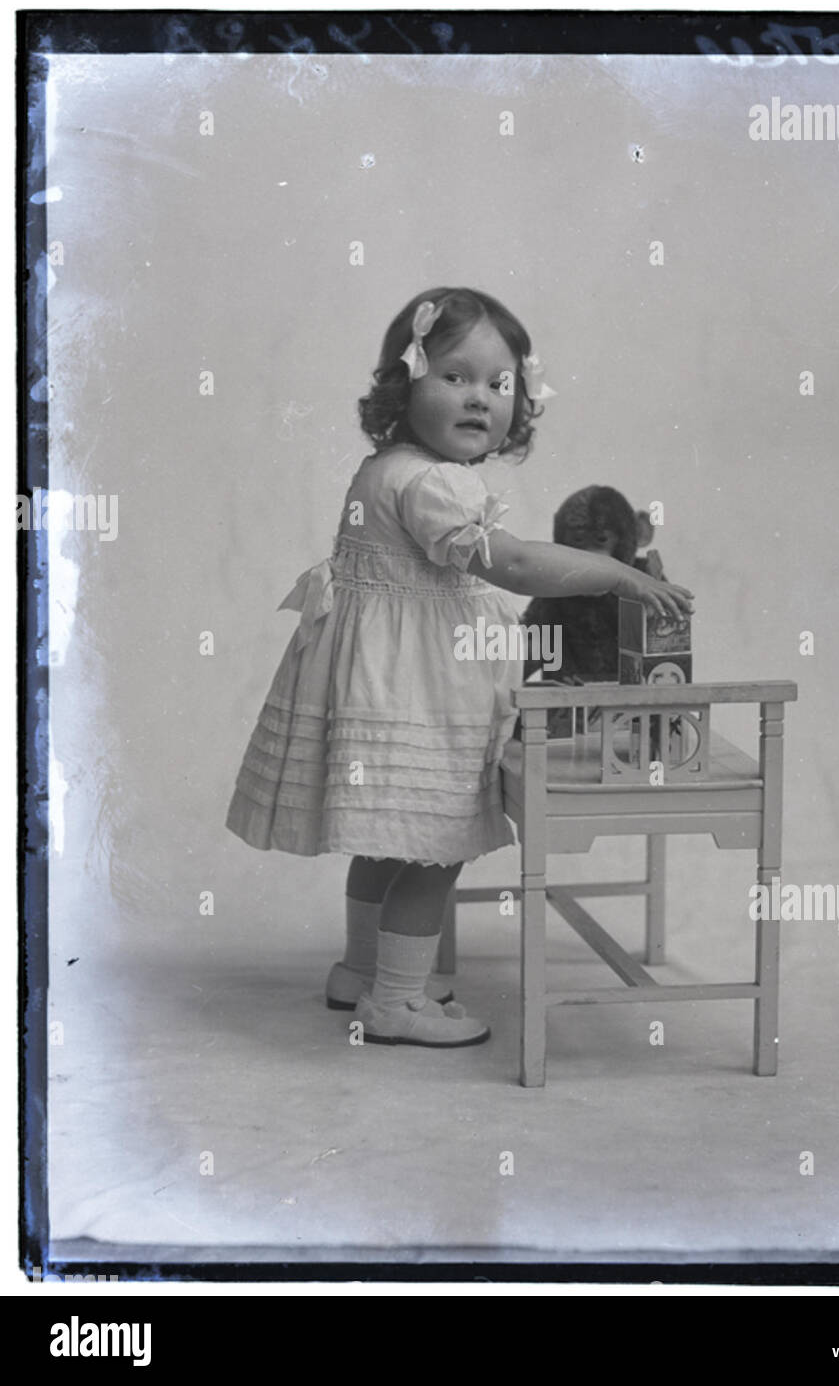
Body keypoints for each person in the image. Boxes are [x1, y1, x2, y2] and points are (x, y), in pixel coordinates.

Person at [225, 286, 694, 1049]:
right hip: (415, 693)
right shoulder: (432, 482)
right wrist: (613, 573)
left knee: (390, 838)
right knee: (435, 844)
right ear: (403, 382)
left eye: (498, 384)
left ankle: (363, 971)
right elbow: (508, 563)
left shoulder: (390, 467)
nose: (479, 398)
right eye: (454, 376)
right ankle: (397, 1002)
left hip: (385, 683)